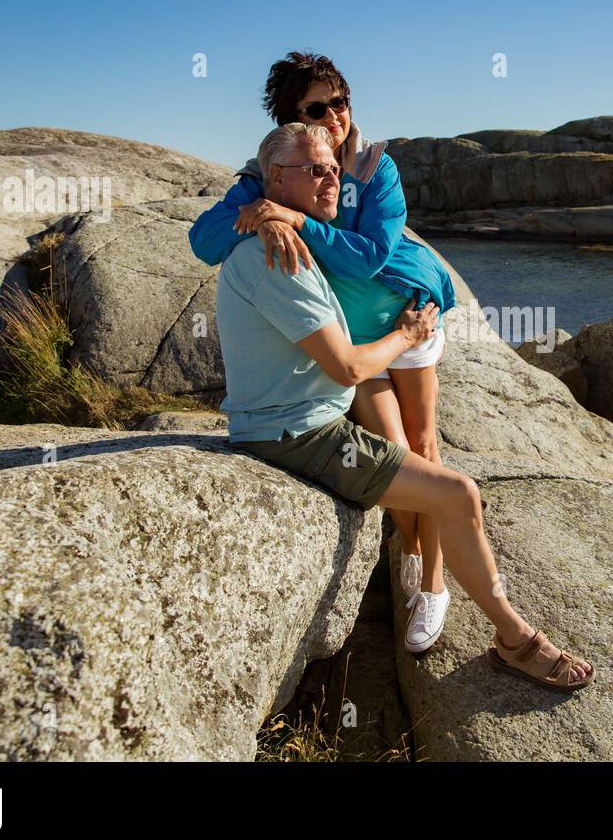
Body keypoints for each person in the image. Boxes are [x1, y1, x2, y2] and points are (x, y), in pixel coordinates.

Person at [217, 123, 593, 691]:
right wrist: (409, 333)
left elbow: (369, 260)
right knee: (458, 493)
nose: (330, 178)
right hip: (295, 432)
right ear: (273, 178)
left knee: (433, 470)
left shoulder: (295, 237)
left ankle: (435, 585)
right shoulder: (275, 255)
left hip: (297, 420)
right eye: (314, 169)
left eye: (332, 168)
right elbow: (346, 368)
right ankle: (514, 639)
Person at [190, 52, 452, 652]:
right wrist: (263, 219)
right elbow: (205, 241)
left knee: (425, 446)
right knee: (392, 451)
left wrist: (297, 223)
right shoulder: (273, 174)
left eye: (340, 102)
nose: (334, 116)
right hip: (352, 337)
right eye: (316, 107)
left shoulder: (375, 167)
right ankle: (407, 550)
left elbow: (368, 258)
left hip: (404, 311)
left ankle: (431, 584)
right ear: (290, 117)